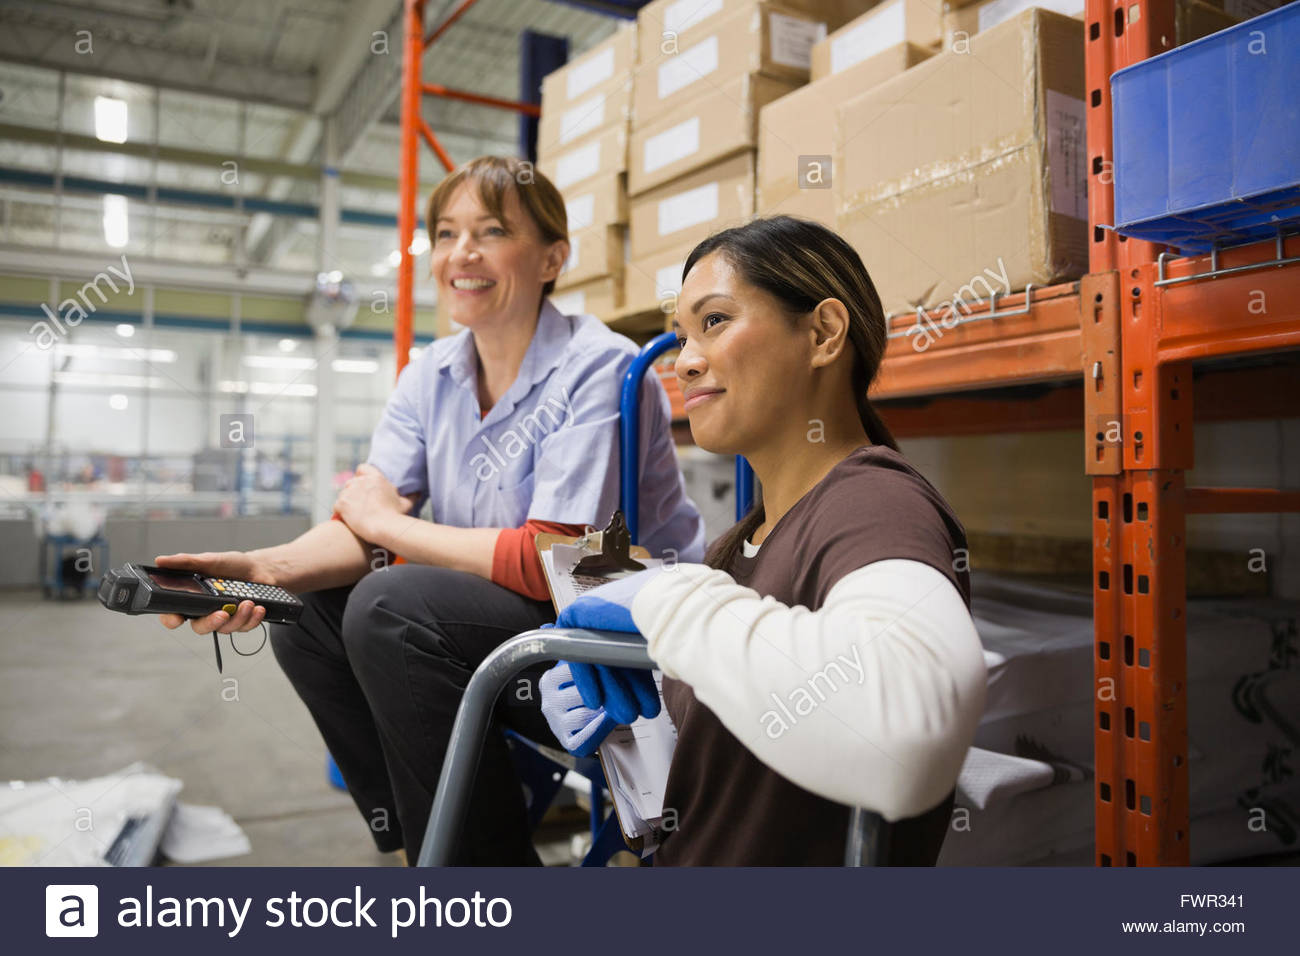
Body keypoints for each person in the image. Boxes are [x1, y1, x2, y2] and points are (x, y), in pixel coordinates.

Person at [154, 156, 704, 865]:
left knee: (390, 604)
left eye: (491, 231)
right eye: (446, 234)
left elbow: (549, 560)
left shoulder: (599, 368)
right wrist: (264, 567)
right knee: (309, 615)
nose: (461, 254)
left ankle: (478, 880)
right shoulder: (432, 373)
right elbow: (361, 516)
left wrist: (388, 525)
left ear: (552, 258)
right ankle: (434, 846)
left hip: (621, 637)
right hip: (524, 626)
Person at [540, 216, 987, 865]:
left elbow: (909, 734)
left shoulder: (873, 503)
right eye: (682, 336)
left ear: (824, 334)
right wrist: (637, 712)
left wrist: (670, 599)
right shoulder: (734, 549)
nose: (685, 361)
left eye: (715, 321)